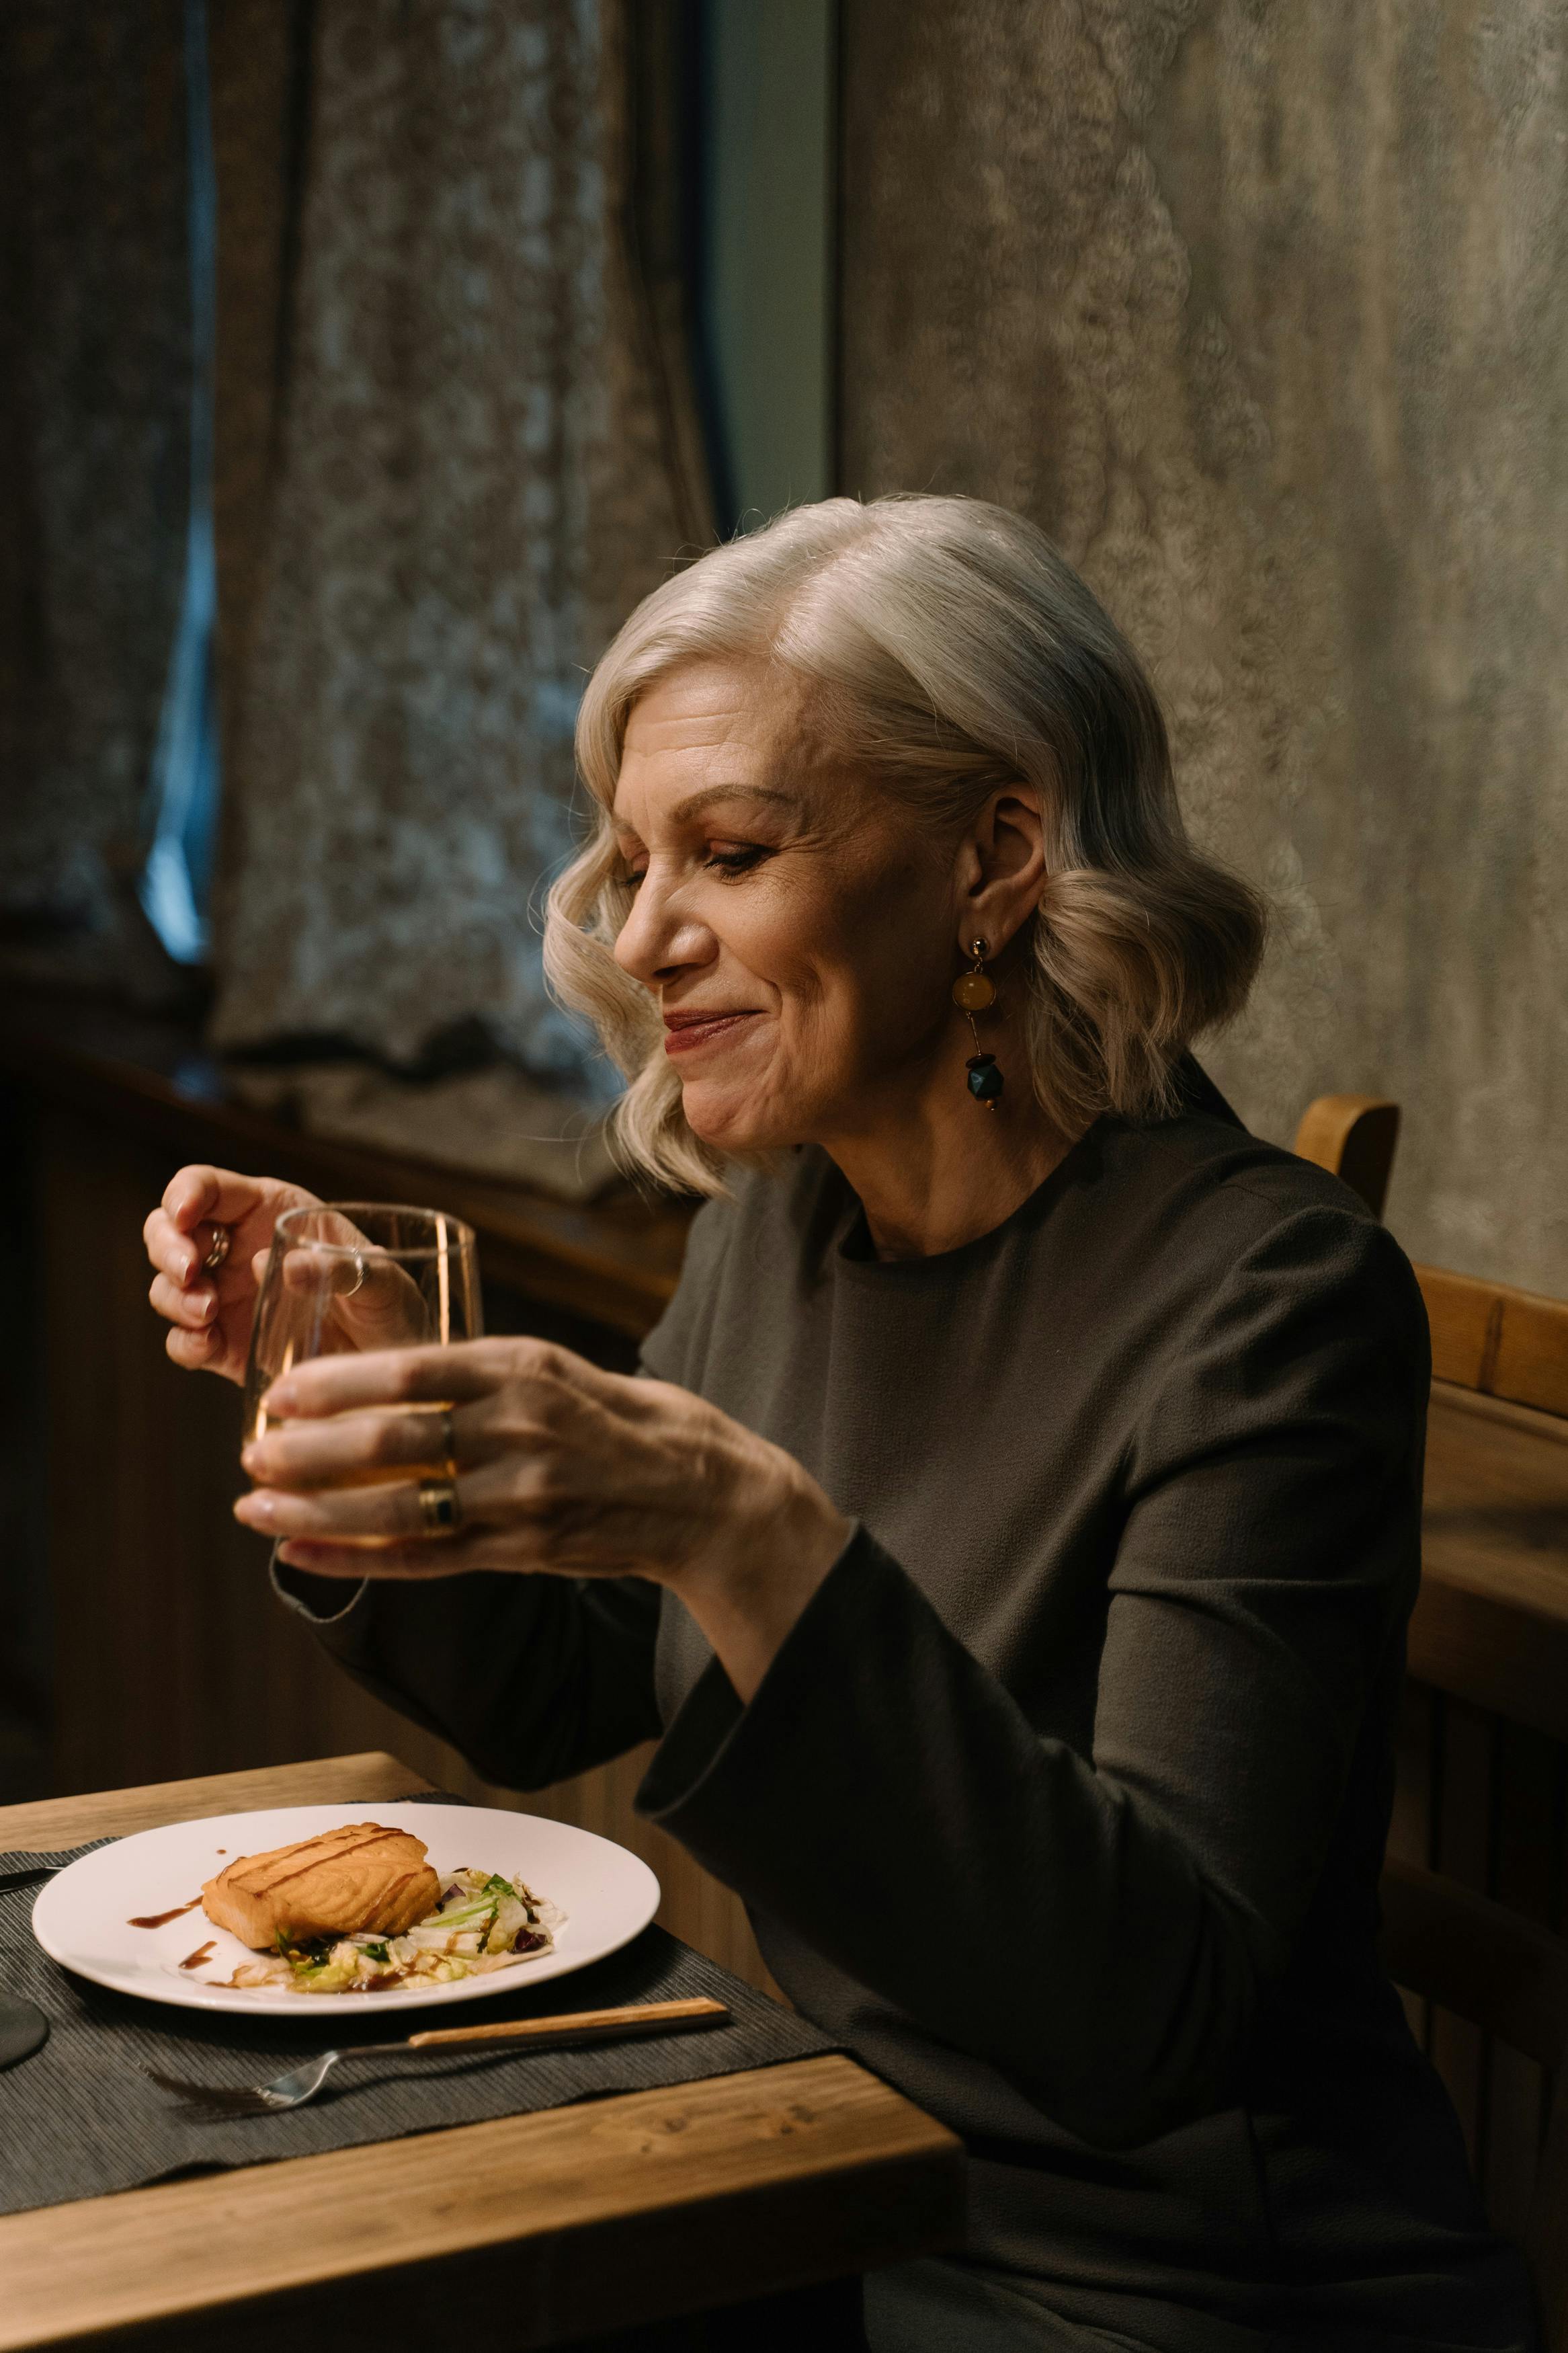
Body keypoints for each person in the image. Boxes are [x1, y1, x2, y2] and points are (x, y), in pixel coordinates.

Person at [145, 497, 1534, 2352]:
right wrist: (373, 1414)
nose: (645, 934)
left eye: (728, 851)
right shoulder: (782, 1231)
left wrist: (741, 1519)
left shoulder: (1270, 1298)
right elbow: (570, 1687)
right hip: (820, 2182)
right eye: (632, 862)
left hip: (1172, 2292)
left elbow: (1154, 2012)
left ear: (999, 851)